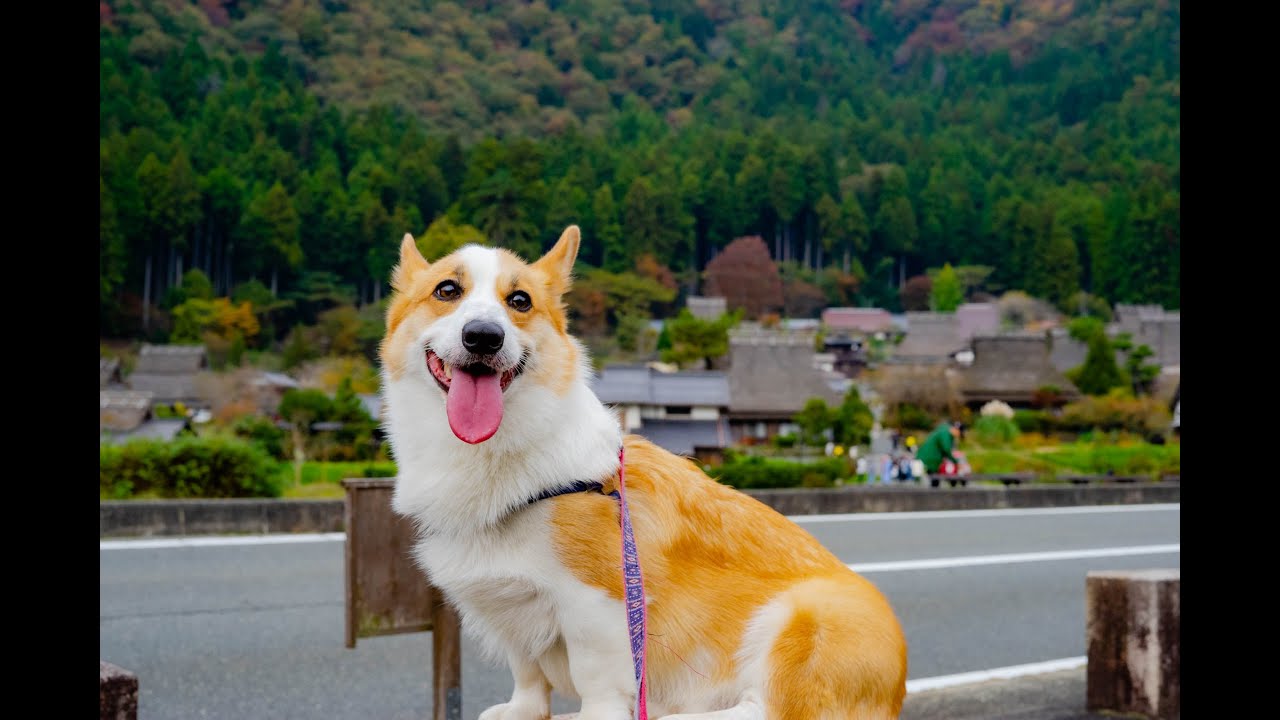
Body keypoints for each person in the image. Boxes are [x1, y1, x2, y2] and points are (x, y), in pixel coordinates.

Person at [916, 421, 964, 487]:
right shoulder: (946, 434)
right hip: (931, 459)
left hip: (928, 457)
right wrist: (956, 462)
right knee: (934, 482)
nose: (958, 436)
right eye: (960, 434)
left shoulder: (945, 431)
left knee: (933, 481)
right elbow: (946, 449)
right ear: (957, 430)